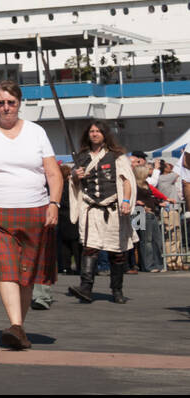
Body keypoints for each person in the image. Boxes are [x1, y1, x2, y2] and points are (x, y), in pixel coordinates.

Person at [0, 81, 63, 350]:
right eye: (0, 102)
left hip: (35, 210)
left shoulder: (36, 132)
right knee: (6, 269)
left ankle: (18, 327)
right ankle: (15, 325)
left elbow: (53, 173)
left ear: (20, 103)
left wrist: (54, 203)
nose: (5, 107)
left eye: (10, 102)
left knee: (27, 274)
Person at [66, 120, 136, 305]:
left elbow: (127, 180)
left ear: (105, 134)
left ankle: (117, 290)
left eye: (98, 131)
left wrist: (126, 201)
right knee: (90, 248)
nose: (95, 134)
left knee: (117, 252)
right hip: (91, 209)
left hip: (112, 209)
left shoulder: (116, 156)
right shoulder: (81, 157)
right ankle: (86, 288)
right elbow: (74, 181)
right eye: (92, 131)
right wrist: (75, 176)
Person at [133, 162, 167, 273]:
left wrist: (158, 203)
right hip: (141, 213)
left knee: (156, 240)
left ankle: (158, 264)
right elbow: (133, 198)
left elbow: (151, 197)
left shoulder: (146, 184)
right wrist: (138, 203)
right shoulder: (135, 186)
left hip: (151, 212)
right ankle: (148, 265)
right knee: (146, 240)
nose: (148, 172)